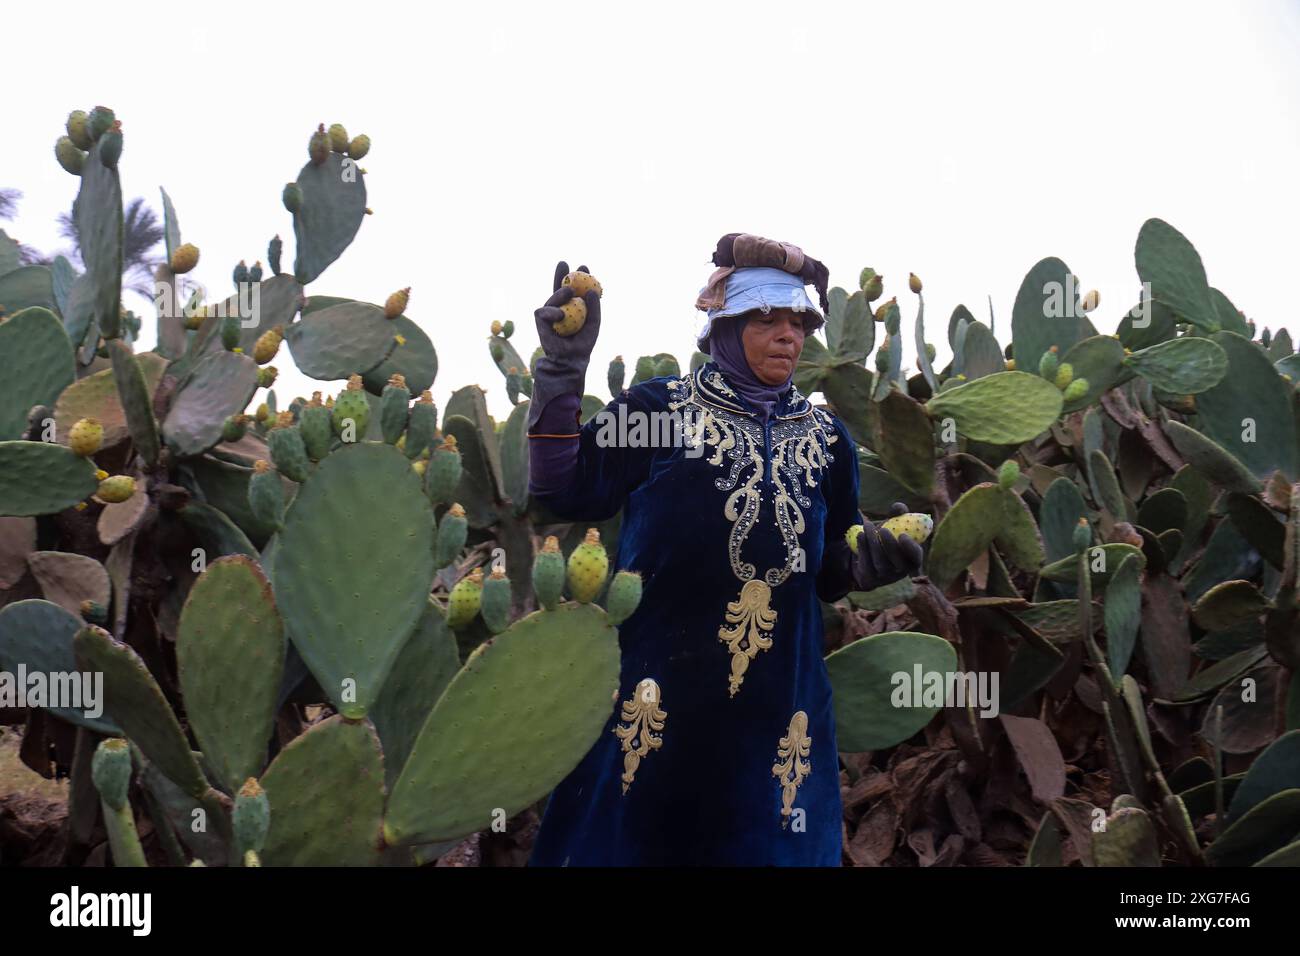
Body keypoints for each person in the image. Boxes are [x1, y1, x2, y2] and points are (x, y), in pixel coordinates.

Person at [524, 233, 922, 866]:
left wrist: (868, 563)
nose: (788, 334)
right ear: (723, 327)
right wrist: (562, 370)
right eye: (766, 318)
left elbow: (828, 570)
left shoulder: (827, 441)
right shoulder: (660, 412)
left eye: (799, 321)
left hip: (777, 716)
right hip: (655, 699)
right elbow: (560, 489)